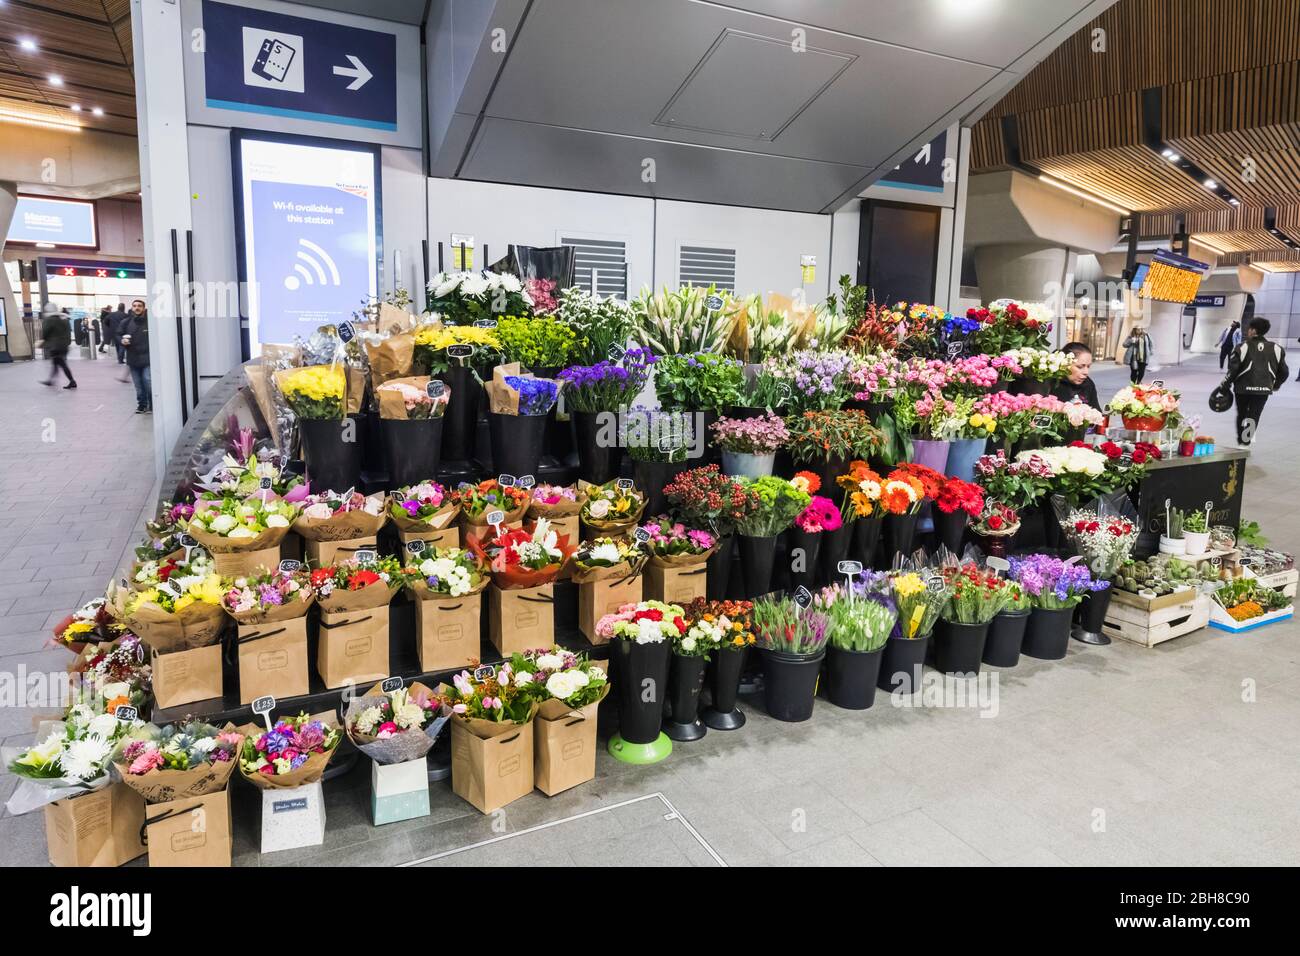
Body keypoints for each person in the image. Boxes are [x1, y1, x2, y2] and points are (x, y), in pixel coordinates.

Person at [1224, 317, 1288, 446]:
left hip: (1243, 388)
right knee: (1254, 414)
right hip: (1264, 389)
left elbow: (1233, 369)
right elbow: (1284, 372)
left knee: (1242, 413)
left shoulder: (1242, 347)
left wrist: (1226, 384)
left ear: (1253, 330)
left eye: (1249, 329)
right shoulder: (1277, 348)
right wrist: (1275, 385)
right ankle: (1246, 440)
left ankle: (1241, 439)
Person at [121, 299, 151, 413]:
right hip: (133, 359)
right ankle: (142, 405)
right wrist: (122, 340)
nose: (137, 308)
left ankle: (152, 404)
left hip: (147, 358)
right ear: (132, 308)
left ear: (143, 308)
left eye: (139, 306)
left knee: (147, 381)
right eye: (134, 306)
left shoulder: (149, 322)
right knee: (138, 384)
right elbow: (118, 334)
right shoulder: (126, 322)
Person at [38, 302, 77, 389]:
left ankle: (72, 381)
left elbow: (45, 333)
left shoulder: (49, 320)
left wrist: (43, 341)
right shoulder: (63, 319)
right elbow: (68, 332)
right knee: (56, 363)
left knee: (61, 363)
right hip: (64, 346)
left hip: (55, 346)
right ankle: (50, 381)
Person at [1052, 341, 1100, 410]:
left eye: (1088, 366)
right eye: (1080, 367)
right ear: (1065, 364)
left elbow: (1097, 412)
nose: (1086, 372)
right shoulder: (1051, 383)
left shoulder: (1088, 384)